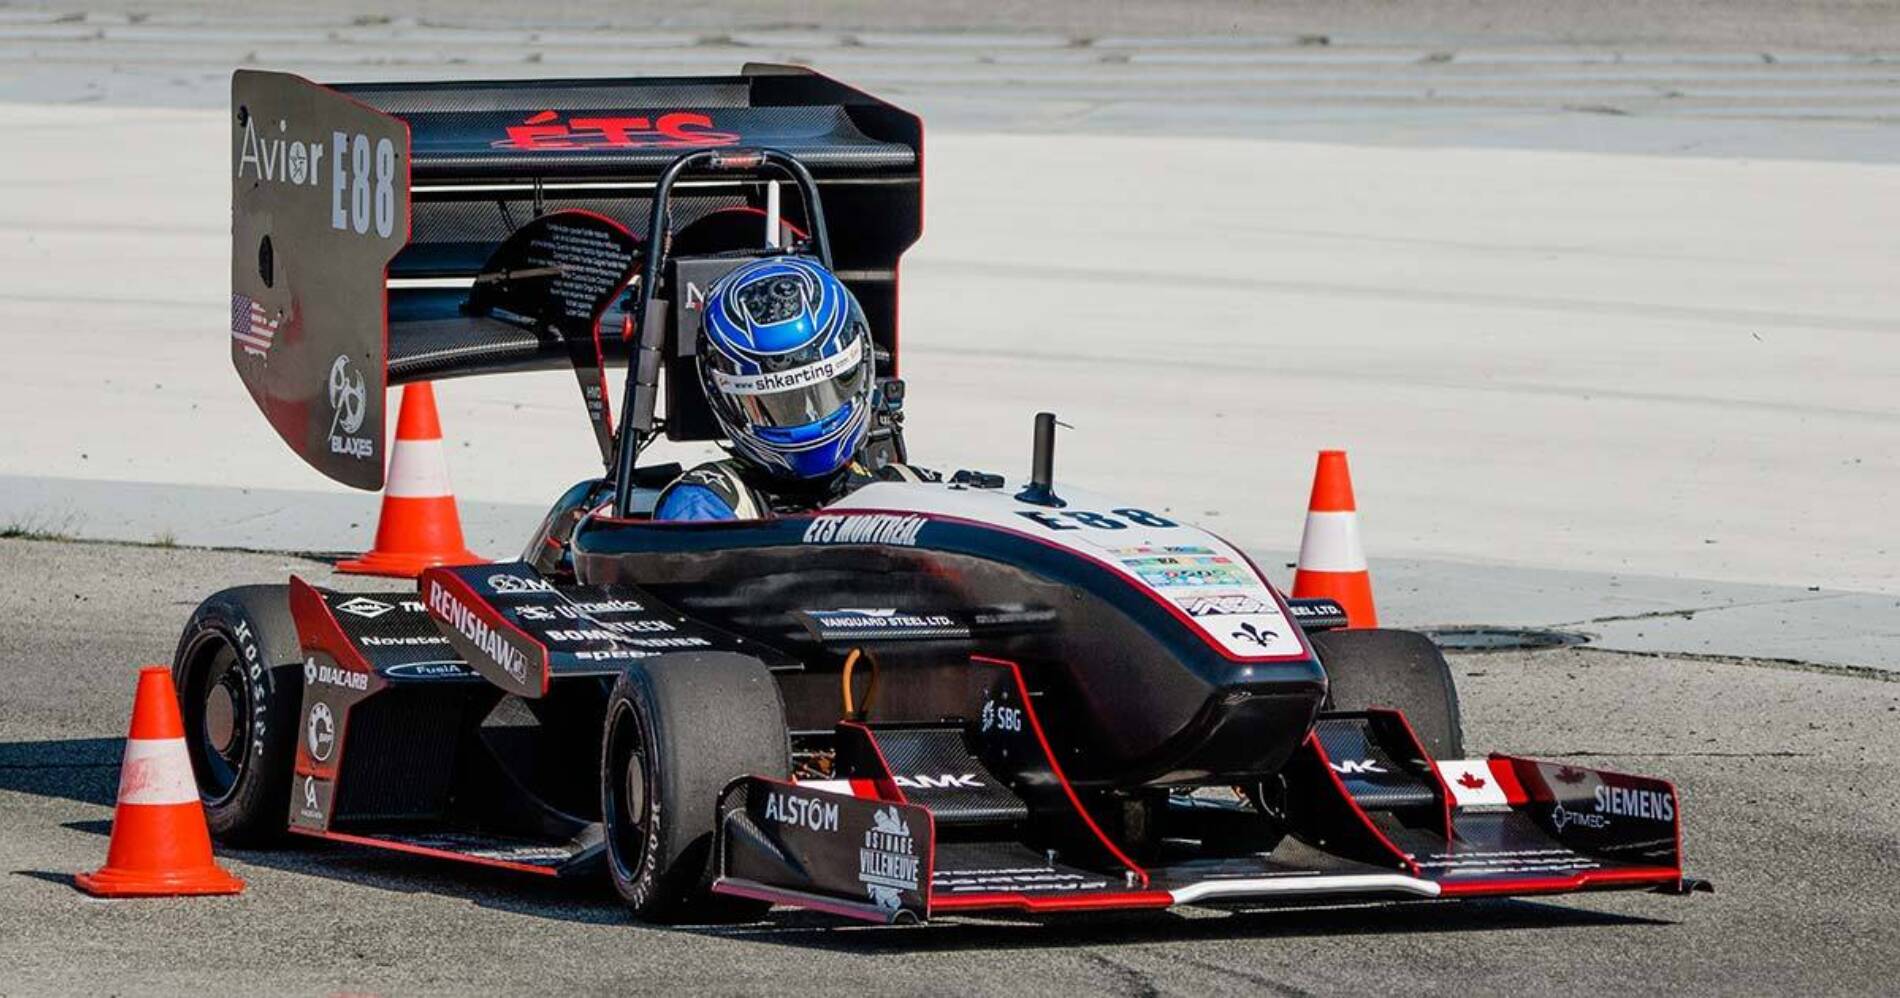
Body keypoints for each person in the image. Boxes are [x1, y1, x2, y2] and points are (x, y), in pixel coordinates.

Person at [653, 255, 925, 521]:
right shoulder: (705, 503)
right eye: (776, 403)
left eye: (822, 392)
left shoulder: (907, 487)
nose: (807, 418)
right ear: (723, 396)